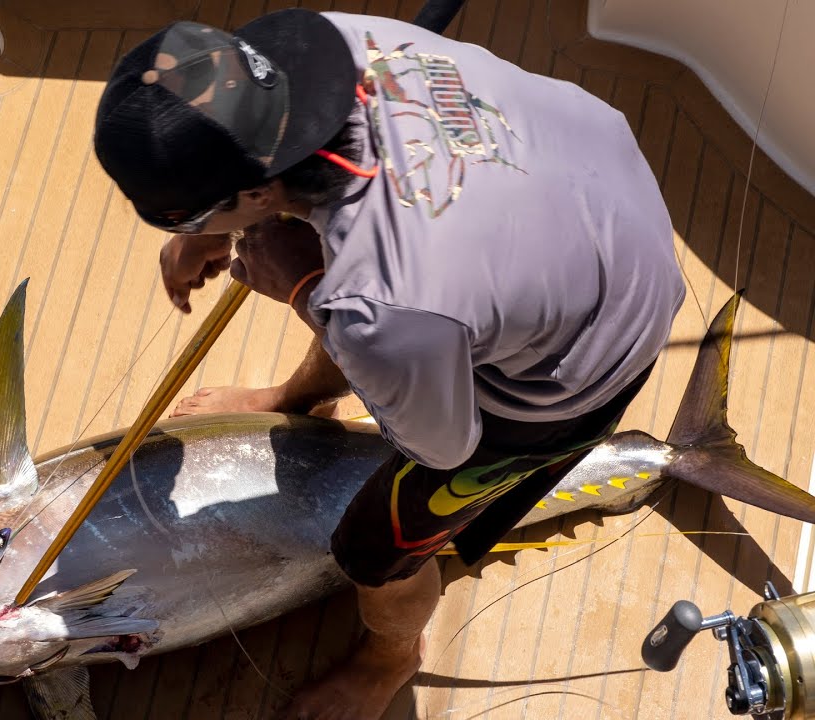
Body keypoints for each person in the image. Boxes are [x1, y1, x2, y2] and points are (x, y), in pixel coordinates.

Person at [92, 8, 685, 718]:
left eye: (185, 219)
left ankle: (392, 657)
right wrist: (220, 228)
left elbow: (444, 447)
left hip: (581, 362)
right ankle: (299, 398)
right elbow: (351, 243)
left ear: (255, 192)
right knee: (363, 313)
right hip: (598, 186)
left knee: (379, 549)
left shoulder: (383, 305)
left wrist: (307, 290)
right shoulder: (328, 41)